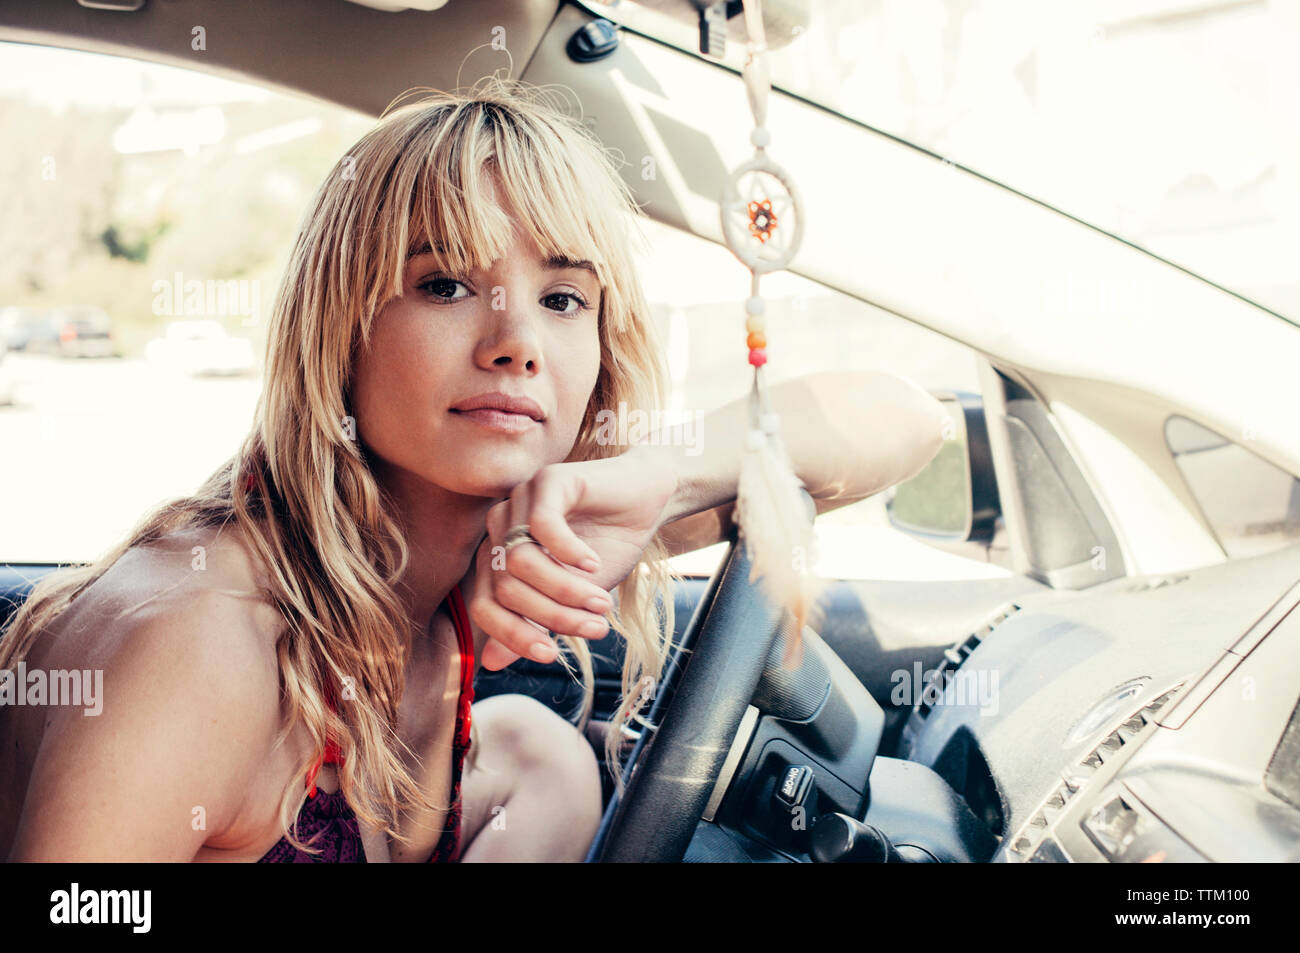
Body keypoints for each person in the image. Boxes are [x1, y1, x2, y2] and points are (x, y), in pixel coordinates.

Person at [0, 78, 948, 862]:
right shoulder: (203, 646)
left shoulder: (519, 524)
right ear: (340, 332)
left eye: (564, 296)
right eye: (447, 283)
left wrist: (668, 473)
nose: (517, 341)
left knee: (546, 754)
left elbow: (907, 423)